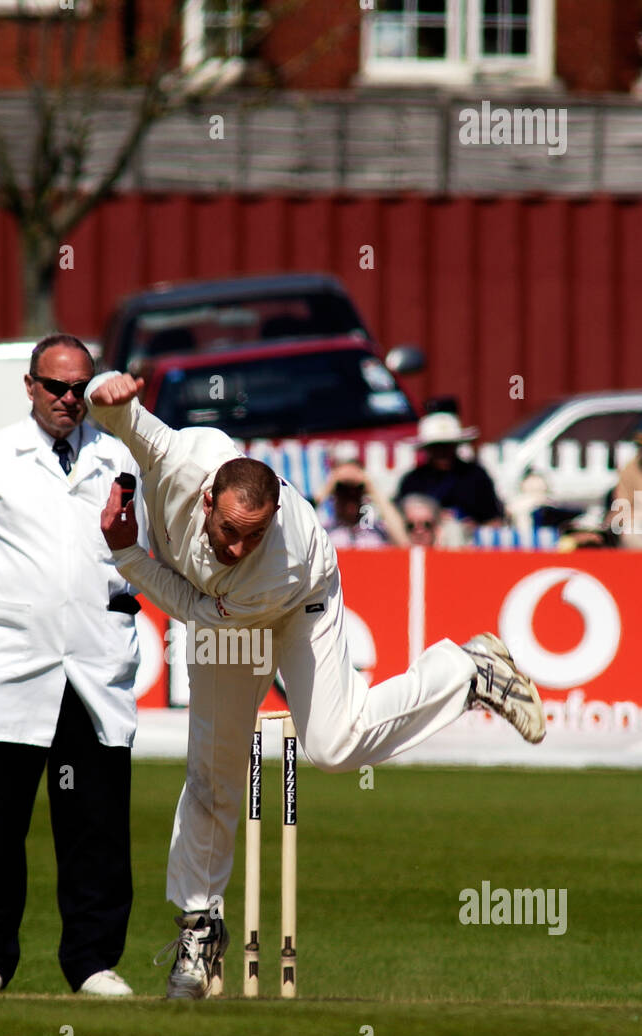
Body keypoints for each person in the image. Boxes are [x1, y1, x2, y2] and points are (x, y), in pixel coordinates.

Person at [87, 371, 547, 1002]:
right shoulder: (176, 456)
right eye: (228, 530)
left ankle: (469, 671)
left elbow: (197, 608)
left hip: (297, 602)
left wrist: (131, 558)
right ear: (204, 501)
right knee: (214, 774)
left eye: (252, 534)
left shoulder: (275, 564)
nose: (237, 544)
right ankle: (199, 932)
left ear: (274, 517)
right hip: (219, 606)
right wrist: (107, 391)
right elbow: (117, 413)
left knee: (333, 747)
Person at [0, 334, 143, 999]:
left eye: (79, 387)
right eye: (55, 387)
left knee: (96, 827)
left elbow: (143, 553)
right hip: (6, 667)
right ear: (29, 386)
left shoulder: (116, 458)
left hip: (92, 666)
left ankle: (93, 963)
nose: (68, 400)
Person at [396, 408, 503, 529]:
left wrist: (474, 527)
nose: (442, 452)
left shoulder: (476, 477)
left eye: (447, 446)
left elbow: (494, 520)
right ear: (427, 448)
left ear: (456, 445)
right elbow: (400, 523)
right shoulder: (413, 481)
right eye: (436, 447)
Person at [316, 442, 409, 548]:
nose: (350, 495)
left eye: (357, 489)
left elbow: (404, 543)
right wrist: (329, 485)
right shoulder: (323, 531)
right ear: (334, 493)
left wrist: (371, 488)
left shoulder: (377, 530)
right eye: (343, 490)